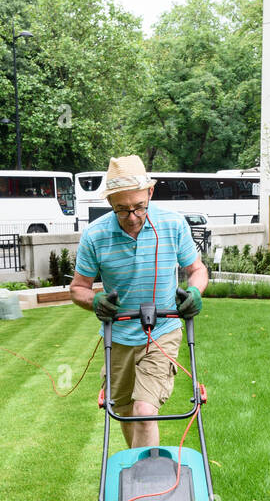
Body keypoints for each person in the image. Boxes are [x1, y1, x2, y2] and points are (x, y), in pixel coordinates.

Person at [70, 154, 208, 450]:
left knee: (144, 413)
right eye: (122, 210)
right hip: (118, 336)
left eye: (138, 207)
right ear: (110, 203)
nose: (132, 217)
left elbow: (197, 270)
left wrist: (195, 292)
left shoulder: (172, 224)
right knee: (123, 413)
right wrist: (95, 302)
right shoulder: (95, 236)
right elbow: (77, 288)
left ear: (150, 193)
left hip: (162, 331)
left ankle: (145, 487)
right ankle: (142, 472)